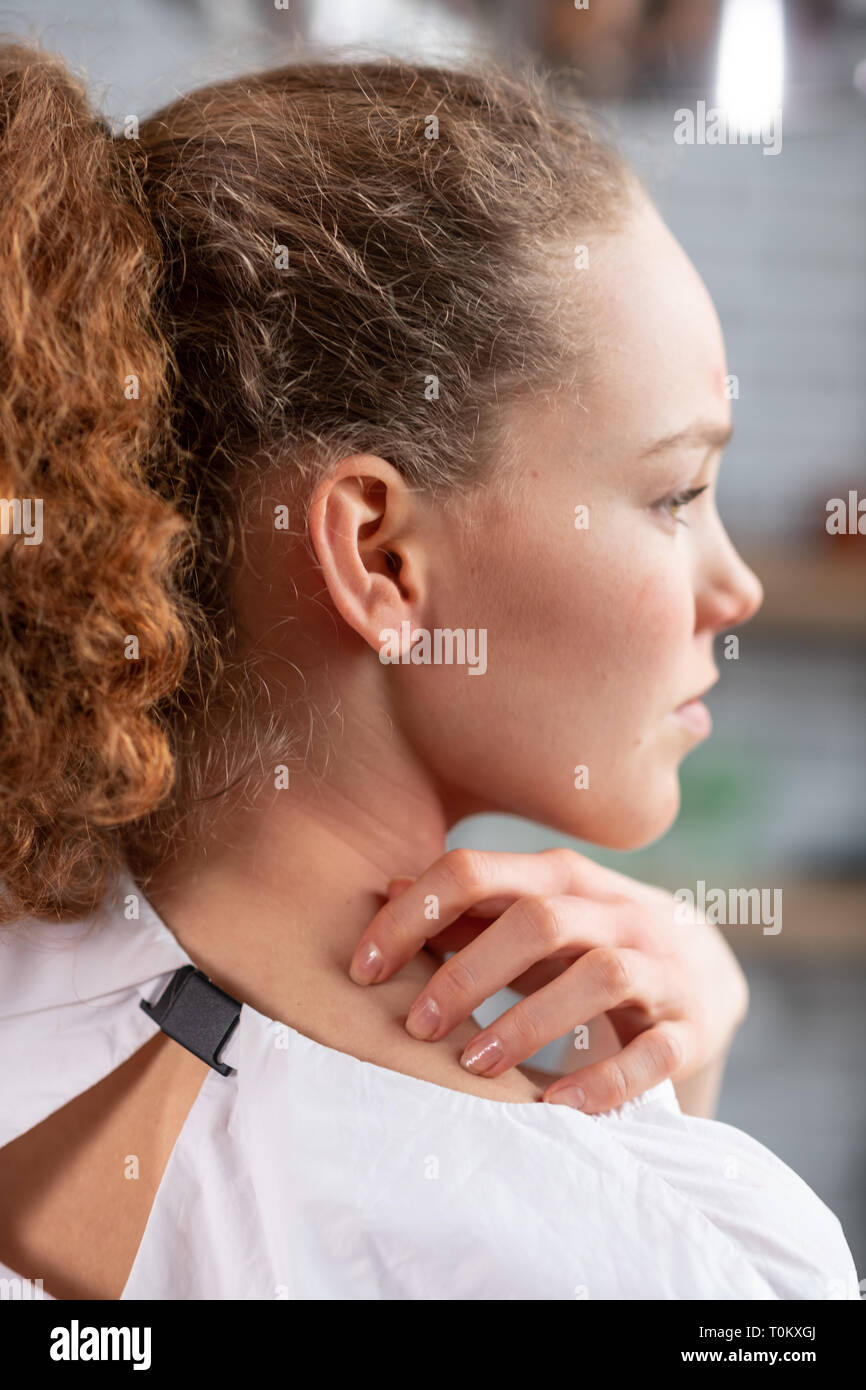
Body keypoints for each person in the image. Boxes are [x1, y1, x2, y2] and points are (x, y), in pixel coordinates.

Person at [0, 39, 857, 1301]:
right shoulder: (688, 1267)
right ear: (380, 556)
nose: (735, 590)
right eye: (673, 492)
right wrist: (672, 1169)